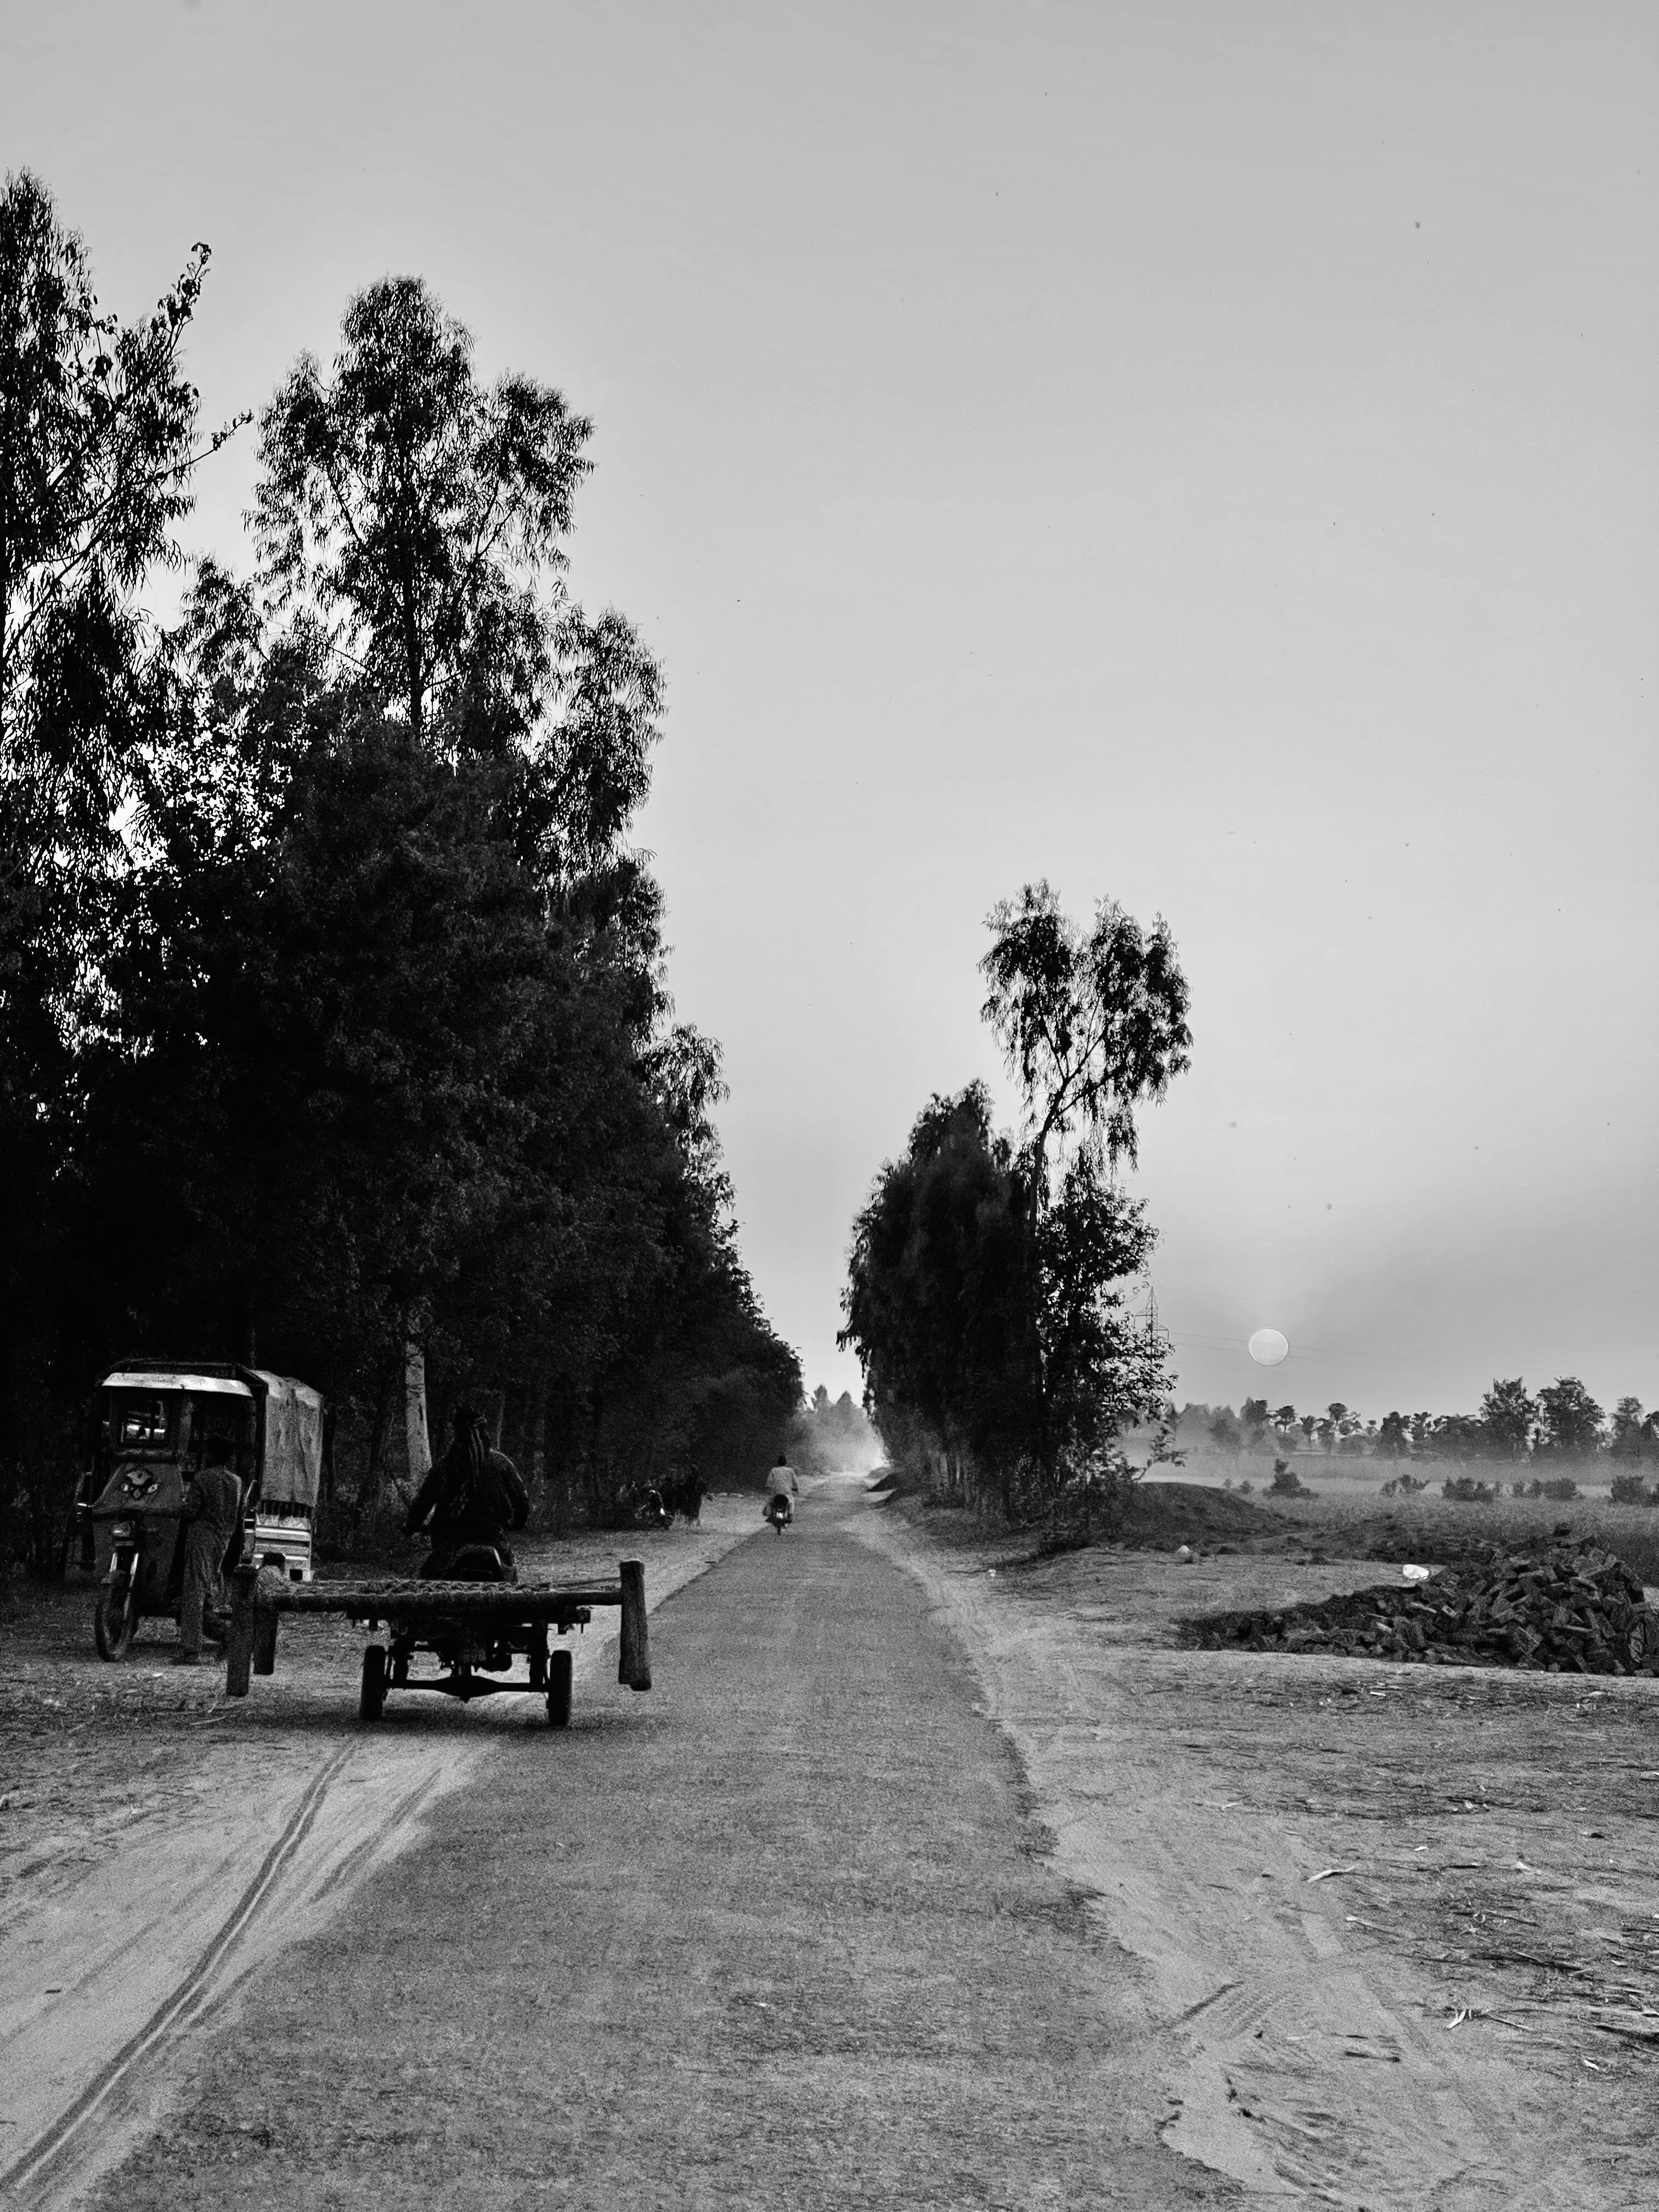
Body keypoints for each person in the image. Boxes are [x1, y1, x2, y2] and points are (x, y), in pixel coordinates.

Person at [404, 1402, 529, 1577]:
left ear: (457, 1434)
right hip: (494, 1542)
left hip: (450, 1549)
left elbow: (422, 1504)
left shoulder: (444, 1466)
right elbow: (522, 1503)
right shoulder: (502, 1464)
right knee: (511, 1580)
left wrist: (411, 1527)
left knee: (425, 1584)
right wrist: (517, 1523)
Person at [175, 1437, 242, 1665]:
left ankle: (192, 1650)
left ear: (211, 1456)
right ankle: (226, 1636)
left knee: (194, 1592)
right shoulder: (236, 1482)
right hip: (222, 1540)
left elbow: (192, 1511)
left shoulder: (203, 1478)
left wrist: (175, 1509)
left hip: (201, 1538)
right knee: (205, 1592)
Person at [764, 1452, 799, 1525]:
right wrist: (796, 1488)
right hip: (787, 1495)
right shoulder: (791, 1471)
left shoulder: (774, 1470)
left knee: (771, 1502)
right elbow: (795, 1482)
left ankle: (770, 1515)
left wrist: (768, 1487)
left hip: (776, 1494)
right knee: (791, 1503)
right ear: (786, 1463)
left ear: (778, 1462)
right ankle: (790, 1516)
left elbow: (769, 1481)